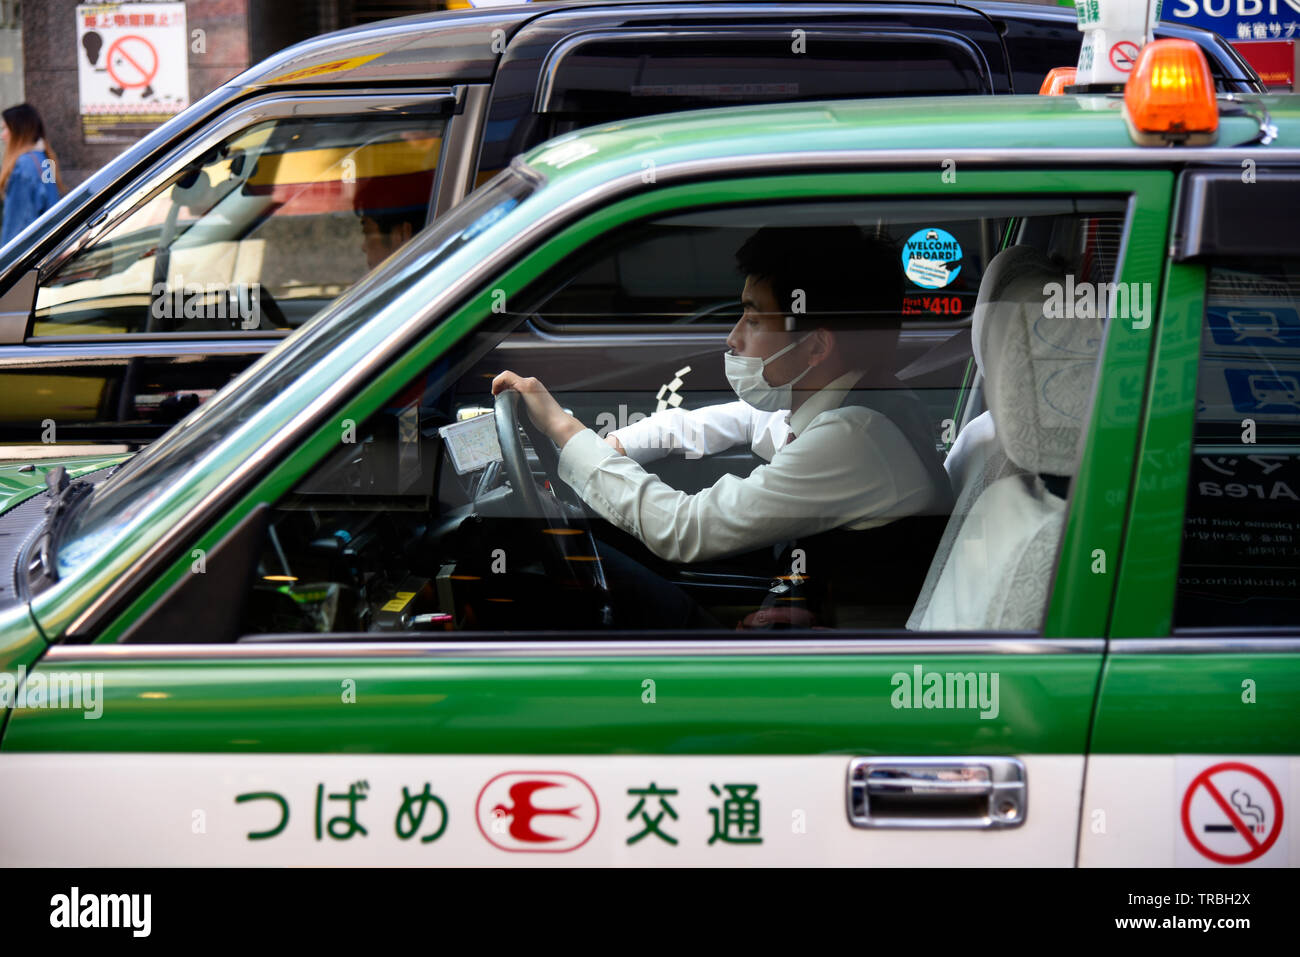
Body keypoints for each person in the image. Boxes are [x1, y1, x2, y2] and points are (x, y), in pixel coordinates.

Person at [491, 225, 952, 622]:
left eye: (753, 318)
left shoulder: (855, 439)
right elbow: (745, 421)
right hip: (810, 624)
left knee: (553, 564)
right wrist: (616, 445)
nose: (733, 337)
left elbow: (685, 530)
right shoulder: (851, 400)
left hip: (836, 669)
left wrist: (565, 430)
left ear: (815, 347)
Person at [0, 103, 63, 246]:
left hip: (27, 251)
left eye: (5, 128)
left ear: (18, 131)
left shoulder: (23, 165)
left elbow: (16, 223)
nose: (2, 135)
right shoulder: (44, 158)